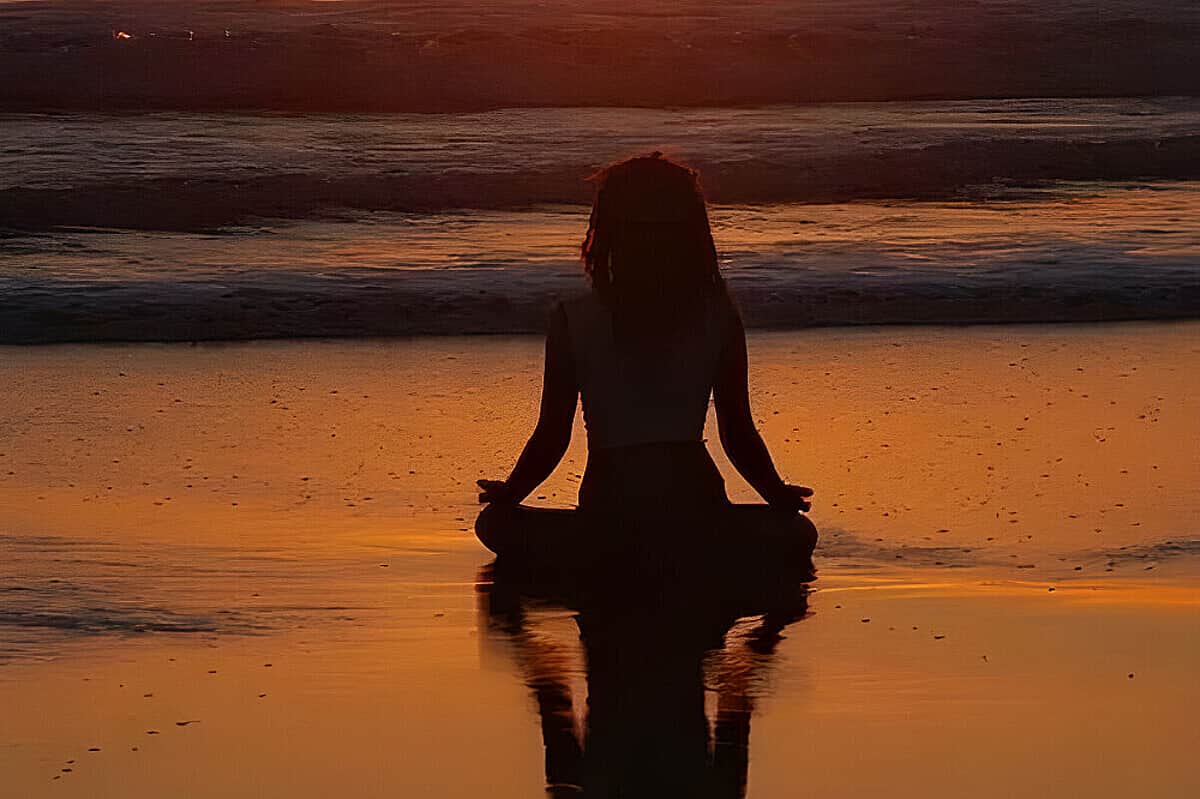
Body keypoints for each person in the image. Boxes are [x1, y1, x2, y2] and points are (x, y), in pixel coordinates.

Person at [476, 153, 815, 562]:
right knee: (796, 533)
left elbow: (552, 437)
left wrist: (510, 494)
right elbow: (737, 432)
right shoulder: (719, 315)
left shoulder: (573, 318)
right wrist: (775, 494)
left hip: (611, 516)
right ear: (692, 232)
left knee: (494, 524)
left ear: (607, 230)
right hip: (697, 515)